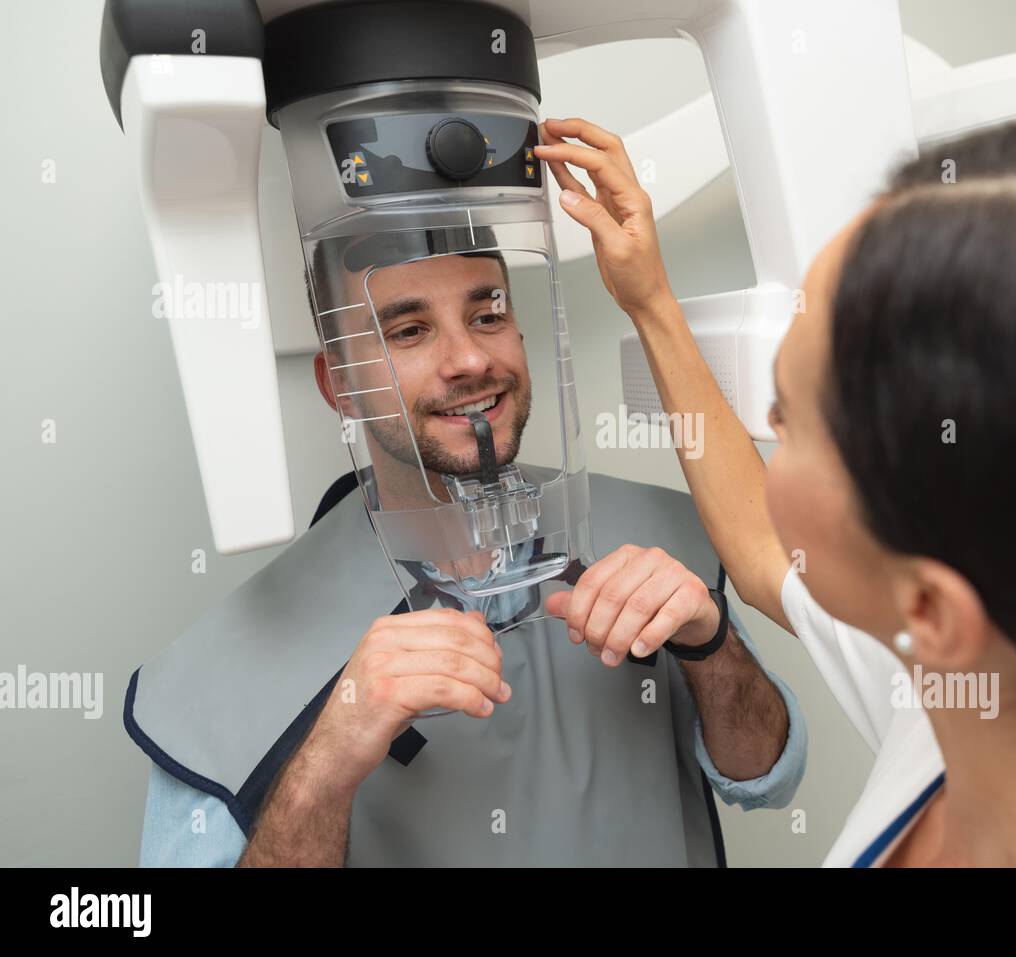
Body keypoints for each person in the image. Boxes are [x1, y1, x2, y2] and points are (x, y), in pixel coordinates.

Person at [537, 116, 1016, 866]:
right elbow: (764, 544)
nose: (765, 423)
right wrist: (651, 301)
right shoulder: (975, 682)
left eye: (791, 418)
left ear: (931, 608)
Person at [124, 224, 808, 867]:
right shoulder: (230, 669)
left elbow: (764, 778)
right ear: (341, 388)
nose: (472, 359)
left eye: (488, 315)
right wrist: (322, 767)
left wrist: (710, 645)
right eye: (411, 330)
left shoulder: (655, 532)